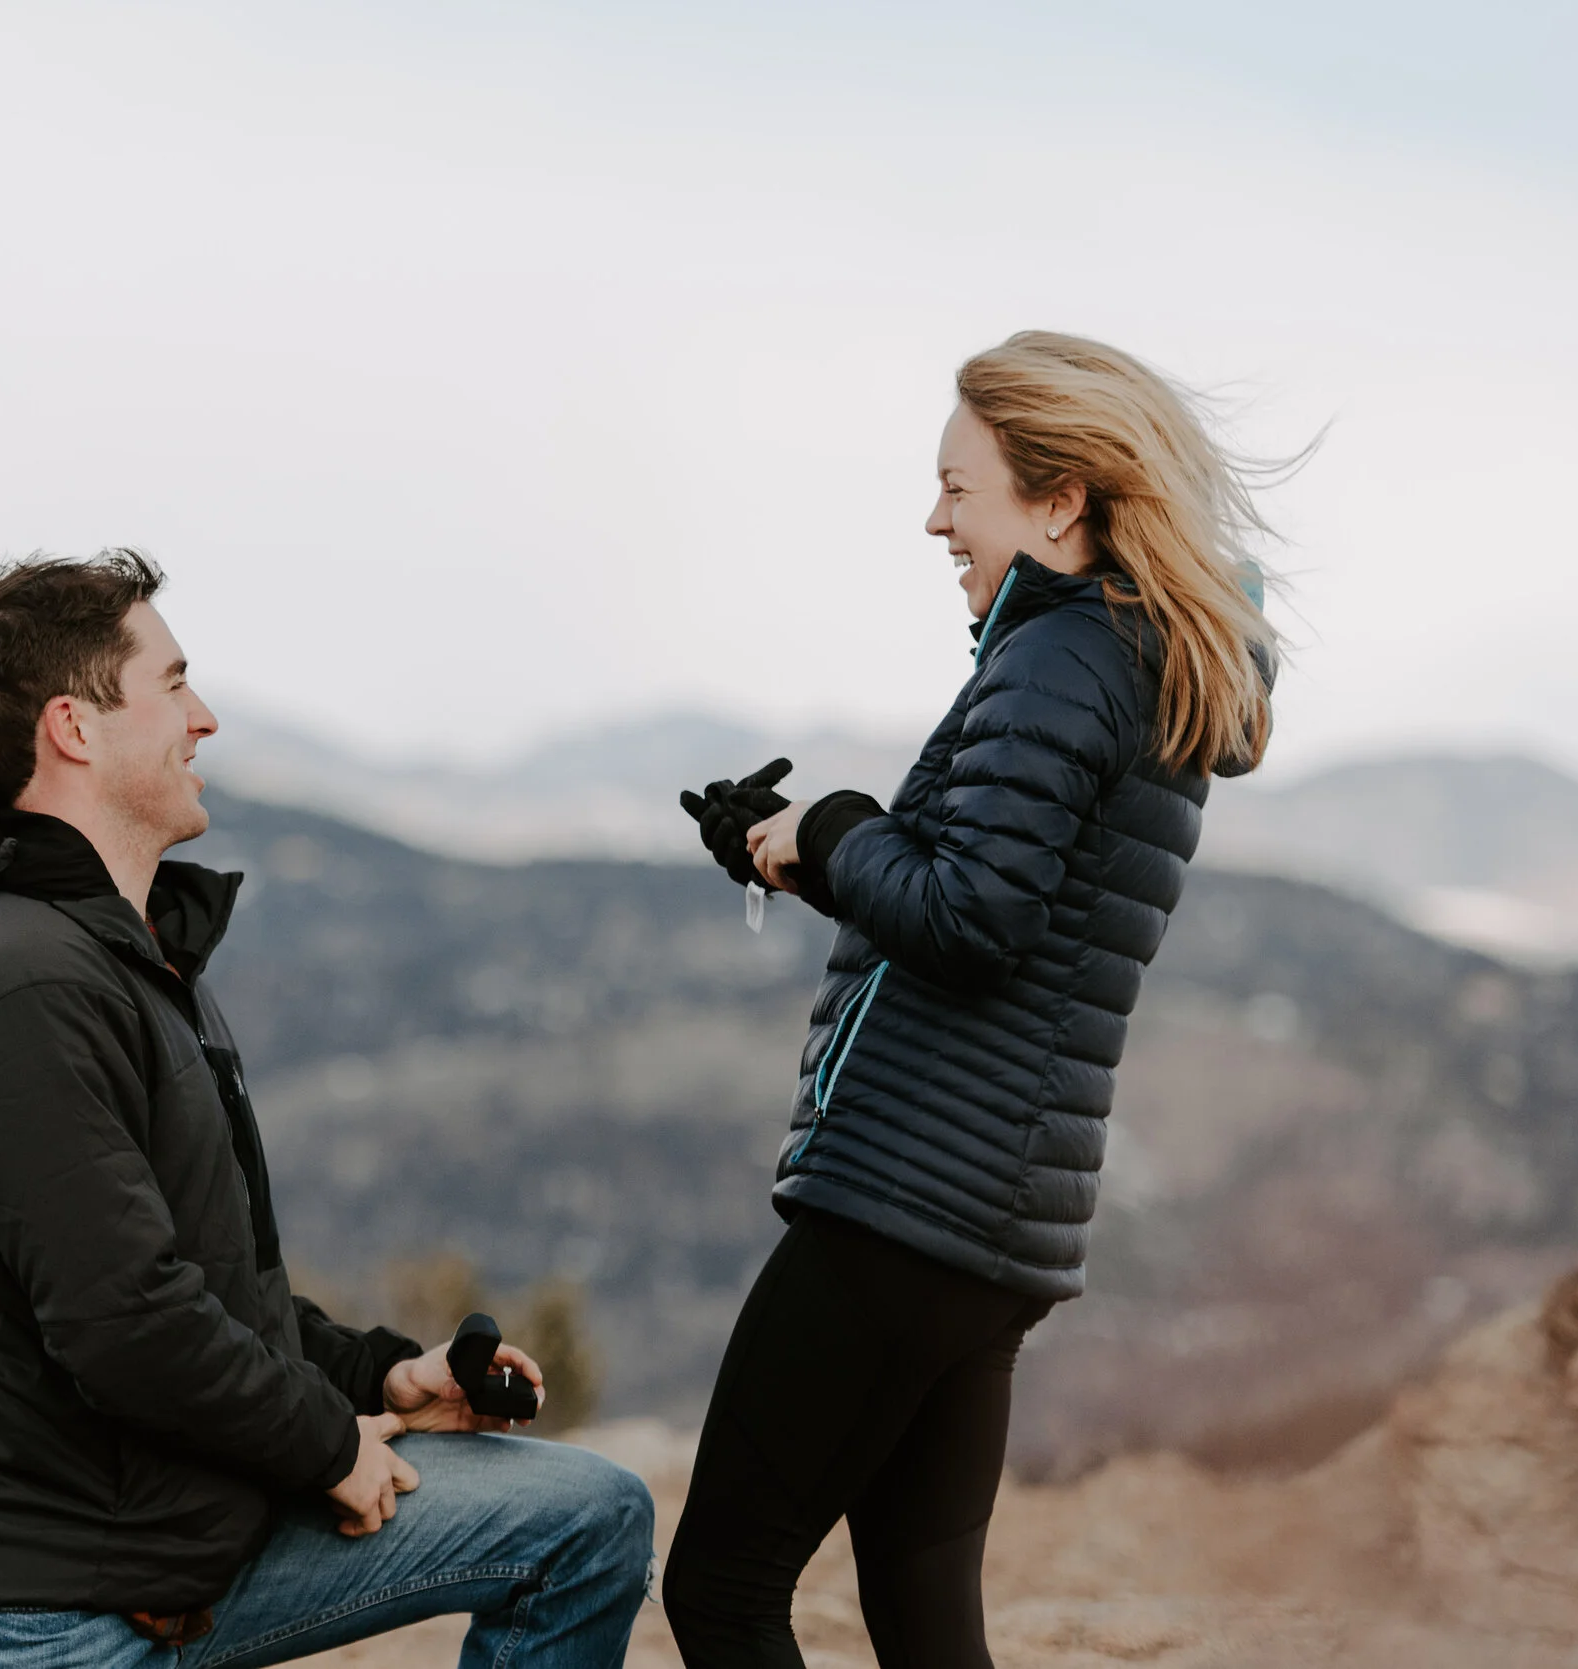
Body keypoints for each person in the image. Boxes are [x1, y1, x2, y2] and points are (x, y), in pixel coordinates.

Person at [0, 551, 653, 1668]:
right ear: (73, 728)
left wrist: (380, 1377)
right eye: (173, 684)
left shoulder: (131, 959)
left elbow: (212, 1286)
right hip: (43, 1604)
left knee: (588, 1516)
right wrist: (327, 1442)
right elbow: (126, 1323)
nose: (205, 718)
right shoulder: (19, 987)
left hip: (183, 1553)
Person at [664, 331, 1286, 1668]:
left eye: (959, 487)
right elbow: (1004, 907)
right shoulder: (1134, 658)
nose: (935, 519)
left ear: (1060, 500)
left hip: (907, 1196)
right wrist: (795, 848)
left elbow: (974, 921)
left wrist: (835, 827)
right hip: (993, 1217)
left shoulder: (1063, 659)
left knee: (721, 1589)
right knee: (923, 1608)